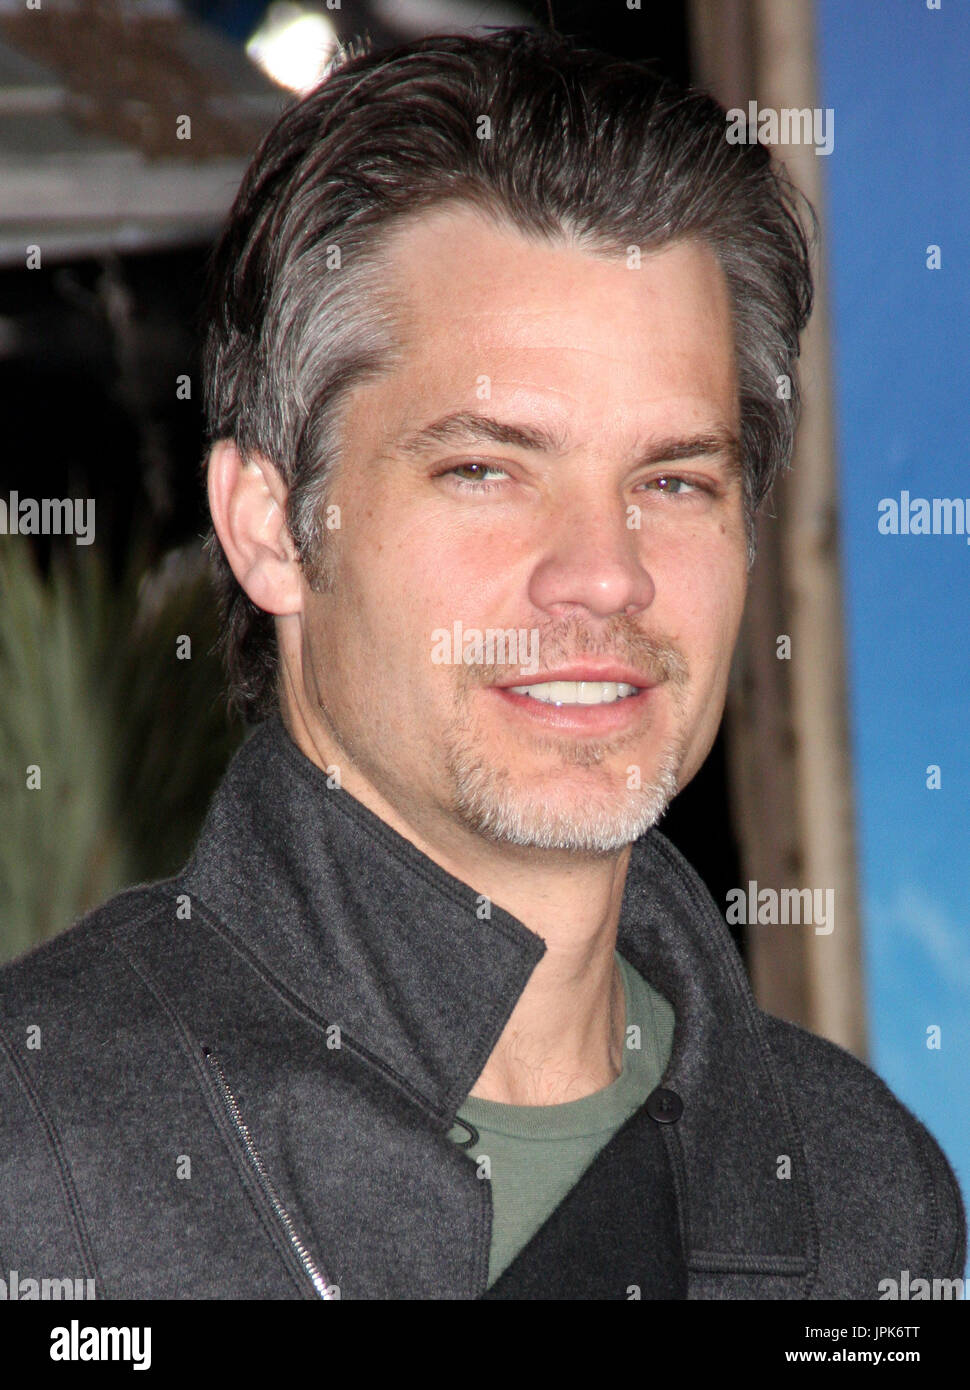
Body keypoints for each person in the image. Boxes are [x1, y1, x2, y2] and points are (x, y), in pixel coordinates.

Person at [0, 26, 963, 1301]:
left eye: (672, 479)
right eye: (486, 470)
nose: (604, 572)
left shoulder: (859, 1193)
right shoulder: (37, 1155)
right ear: (273, 528)